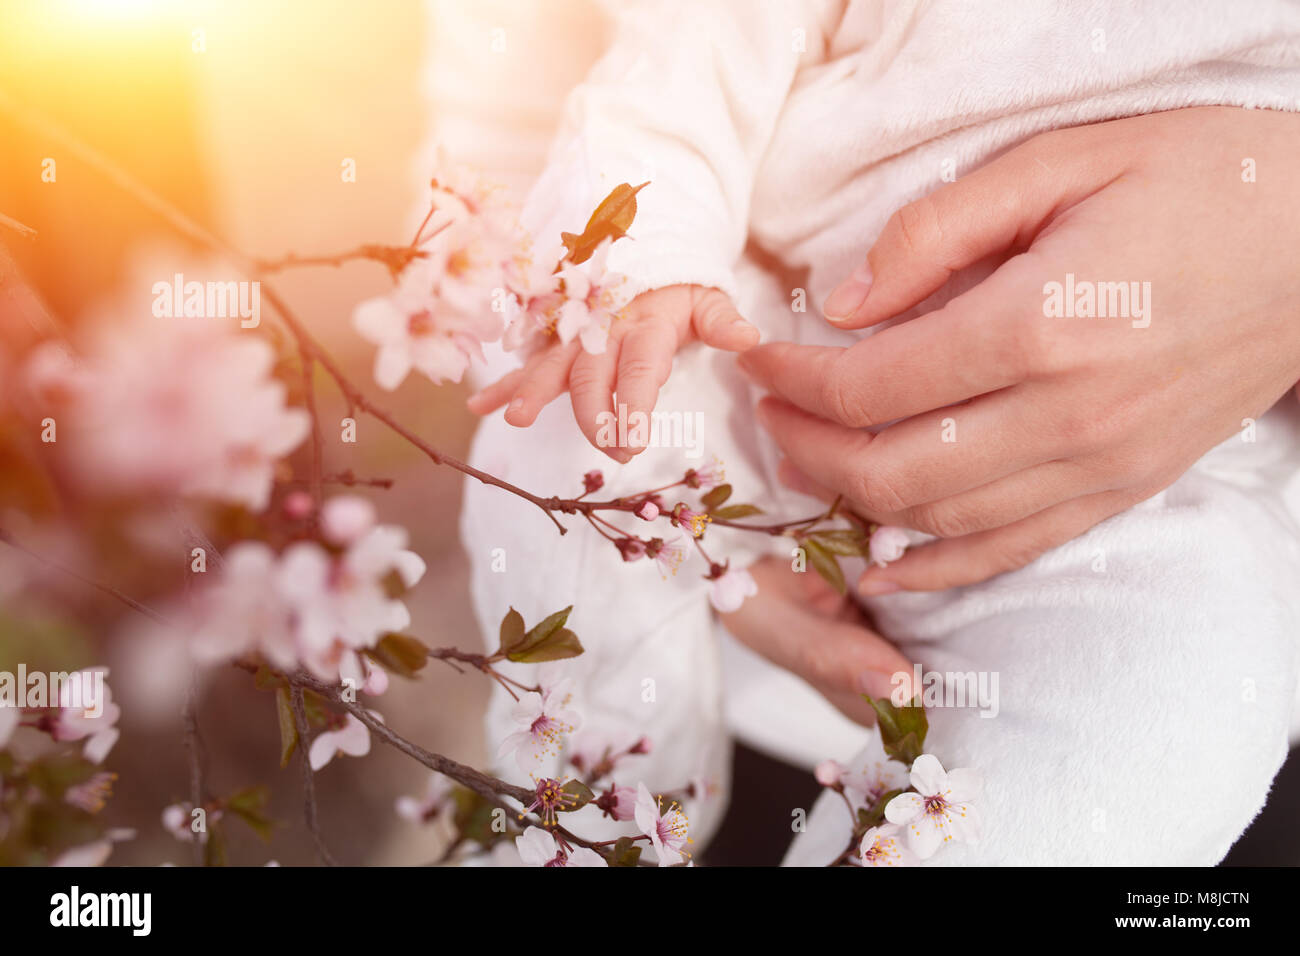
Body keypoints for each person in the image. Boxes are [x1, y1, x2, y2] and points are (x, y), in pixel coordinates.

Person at [459, 0, 1300, 863]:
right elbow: (671, 74)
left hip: (1133, 499)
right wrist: (641, 270)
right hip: (760, 366)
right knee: (577, 422)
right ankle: (599, 802)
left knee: (1180, 698)